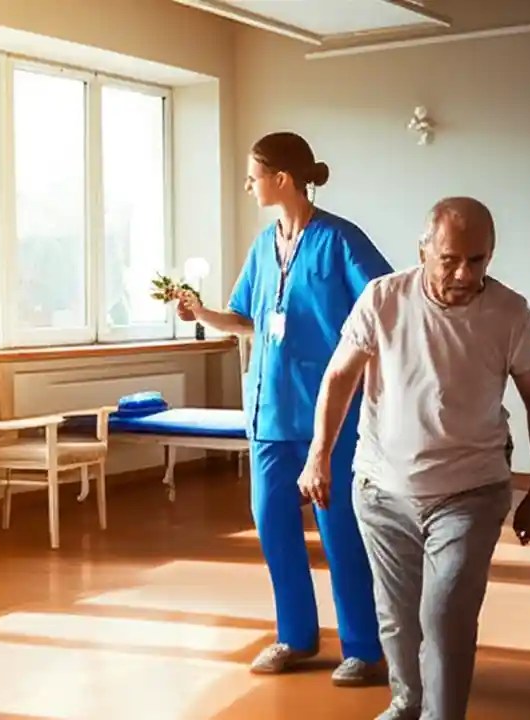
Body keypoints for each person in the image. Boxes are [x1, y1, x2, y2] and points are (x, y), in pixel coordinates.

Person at [297, 197, 530, 720]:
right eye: (450, 259)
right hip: (381, 488)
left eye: (478, 261)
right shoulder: (383, 299)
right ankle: (407, 702)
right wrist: (318, 455)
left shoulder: (509, 313)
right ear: (423, 251)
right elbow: (340, 377)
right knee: (395, 616)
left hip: (471, 491)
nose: (464, 274)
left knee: (445, 616)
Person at [179, 131, 392, 686]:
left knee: (340, 531)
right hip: (269, 417)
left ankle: (364, 649)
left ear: (281, 178)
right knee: (273, 527)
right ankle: (296, 637)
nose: (248, 184)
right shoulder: (261, 246)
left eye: (254, 175)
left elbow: (385, 311)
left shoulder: (341, 240)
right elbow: (247, 318)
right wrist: (202, 313)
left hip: (330, 420)